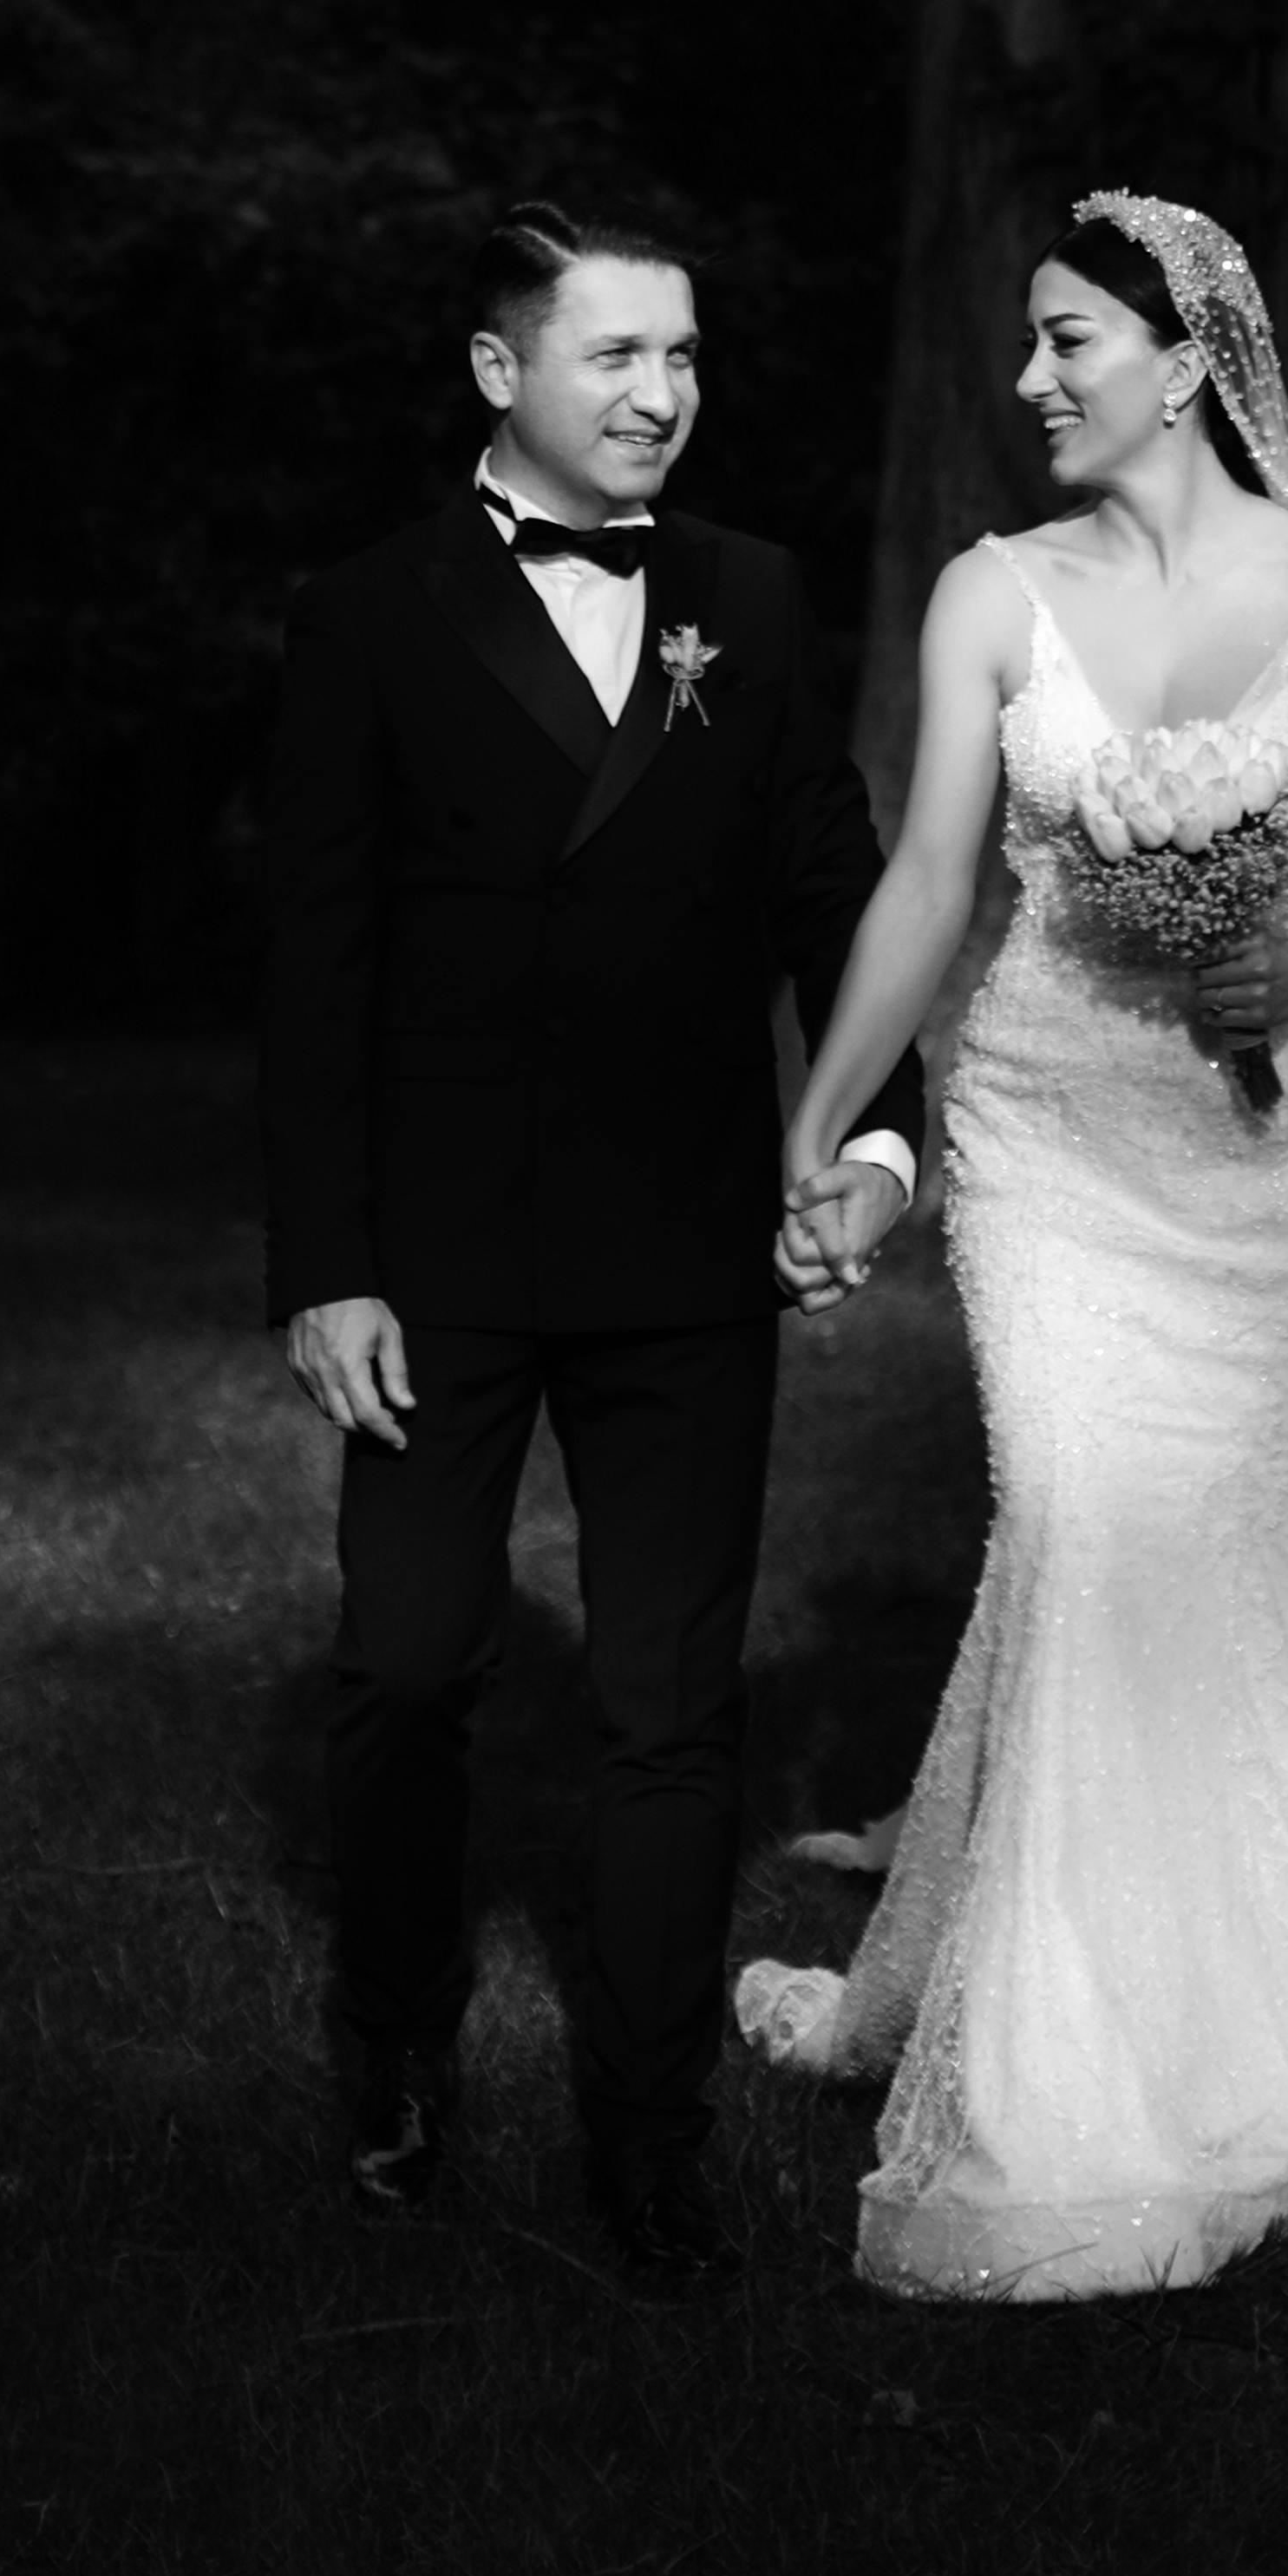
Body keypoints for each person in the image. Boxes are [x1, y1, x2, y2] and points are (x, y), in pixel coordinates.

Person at [736, 190, 1288, 2301]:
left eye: (1067, 339)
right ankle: (1059, 2080)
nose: (1033, 379)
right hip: (1048, 1127)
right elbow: (927, 882)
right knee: (1072, 1522)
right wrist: (817, 1109)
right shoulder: (988, 595)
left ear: (1182, 349)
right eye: (1029, 344)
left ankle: (1260, 2006)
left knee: (1227, 1553)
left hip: (1270, 1155)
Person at [260, 199, 923, 2283]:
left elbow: (832, 883)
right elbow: (318, 962)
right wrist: (325, 1260)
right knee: (401, 1666)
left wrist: (874, 1138)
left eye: (686, 358)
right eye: (616, 357)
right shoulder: (367, 613)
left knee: (669, 1708)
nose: (661, 396)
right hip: (434, 1263)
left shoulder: (753, 593)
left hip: (679, 1250)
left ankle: (652, 2135)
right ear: (498, 373)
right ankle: (391, 2055)